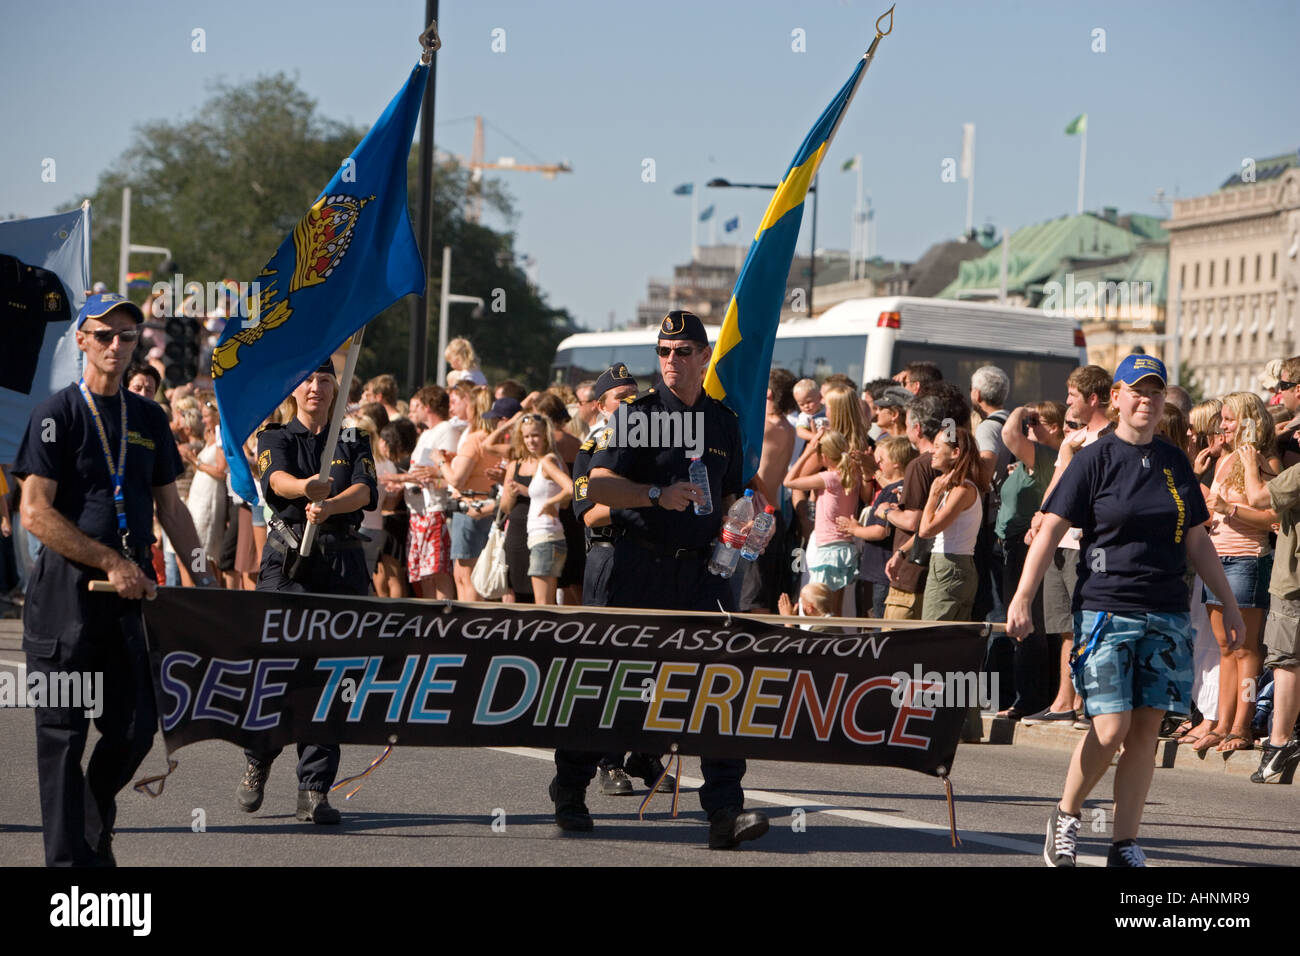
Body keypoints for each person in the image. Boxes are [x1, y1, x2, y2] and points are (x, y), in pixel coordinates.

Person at [1007, 354, 1246, 867]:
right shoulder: (1095, 457)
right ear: (1114, 397)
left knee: (1144, 733)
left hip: (1166, 611)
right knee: (1111, 728)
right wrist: (1023, 595)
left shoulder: (1174, 460)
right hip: (1106, 608)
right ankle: (1066, 816)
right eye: (1136, 390)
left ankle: (1125, 843)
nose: (1147, 399)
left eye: (1156, 392)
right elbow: (1049, 528)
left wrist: (1228, 603)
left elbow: (1198, 540)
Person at [552, 310, 769, 849]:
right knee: (609, 683)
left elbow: (730, 495)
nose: (671, 361)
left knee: (717, 685)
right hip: (635, 567)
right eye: (663, 351)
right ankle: (572, 785)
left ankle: (725, 809)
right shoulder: (636, 416)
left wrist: (744, 523)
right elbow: (598, 485)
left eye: (682, 351)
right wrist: (655, 494)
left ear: (704, 357)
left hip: (701, 574)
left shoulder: (724, 421)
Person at [14, 293, 208, 866]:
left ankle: (91, 818)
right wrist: (111, 562)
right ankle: (70, 874)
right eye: (104, 335)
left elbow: (172, 511)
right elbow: (35, 512)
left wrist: (205, 581)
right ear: (81, 340)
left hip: (132, 603)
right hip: (64, 603)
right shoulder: (56, 414)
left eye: (127, 336)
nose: (116, 346)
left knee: (135, 728)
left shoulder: (148, 418)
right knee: (62, 740)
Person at [236, 361, 378, 825]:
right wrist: (305, 489)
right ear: (293, 387)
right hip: (289, 563)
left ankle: (314, 788)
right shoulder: (275, 436)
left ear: (337, 387)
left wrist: (331, 504)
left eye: (324, 380)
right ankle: (259, 756)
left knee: (333, 677)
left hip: (341, 564)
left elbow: (365, 489)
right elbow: (275, 481)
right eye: (308, 379)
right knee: (280, 671)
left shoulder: (354, 438)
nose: (315, 387)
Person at [1021, 365, 1114, 728]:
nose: (1067, 402)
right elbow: (1058, 492)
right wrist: (1041, 517)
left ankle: (1087, 702)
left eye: (1072, 395)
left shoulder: (1108, 440)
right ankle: (1063, 701)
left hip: (1084, 546)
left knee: (1086, 625)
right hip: (1058, 544)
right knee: (1064, 627)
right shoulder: (1073, 440)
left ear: (1092, 398)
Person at [1195, 391, 1278, 754]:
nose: (1222, 426)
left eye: (1229, 419)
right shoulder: (1225, 459)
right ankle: (1223, 722)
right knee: (1226, 647)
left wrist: (1228, 509)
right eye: (1222, 419)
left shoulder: (1265, 460)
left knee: (1246, 650)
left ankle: (1242, 726)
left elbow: (1271, 516)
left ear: (1248, 421)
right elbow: (1212, 511)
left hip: (1247, 560)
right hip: (1217, 558)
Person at [991, 401, 1066, 719]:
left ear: (1057, 427)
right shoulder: (1029, 461)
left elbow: (1008, 432)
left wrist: (1021, 408)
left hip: (1026, 548)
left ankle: (1030, 697)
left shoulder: (1047, 455)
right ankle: (1028, 695)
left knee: (1026, 626)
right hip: (1010, 547)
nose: (1030, 427)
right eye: (1029, 421)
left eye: (1038, 422)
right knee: (1020, 625)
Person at [1239, 445, 1300, 782]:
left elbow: (1259, 498)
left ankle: (1278, 743)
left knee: (1286, 660)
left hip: (1293, 583)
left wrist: (1250, 465)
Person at [784, 429, 862, 616]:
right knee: (836, 611)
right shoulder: (852, 474)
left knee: (819, 610)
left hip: (827, 549)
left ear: (824, 456)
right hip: (844, 548)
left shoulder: (829, 478)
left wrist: (807, 452)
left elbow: (789, 481)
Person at [499, 414, 573, 604]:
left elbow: (571, 489)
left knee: (543, 606)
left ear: (545, 436)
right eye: (526, 437)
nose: (531, 441)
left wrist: (550, 503)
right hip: (540, 536)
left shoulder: (548, 460)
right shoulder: (543, 461)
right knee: (543, 603)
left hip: (546, 536)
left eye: (535, 435)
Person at [918, 427, 982, 622]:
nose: (931, 451)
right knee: (953, 639)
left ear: (955, 453)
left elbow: (926, 530)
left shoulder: (962, 489)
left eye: (937, 446)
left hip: (949, 565)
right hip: (957, 566)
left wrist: (933, 495)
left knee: (932, 633)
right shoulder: (958, 487)